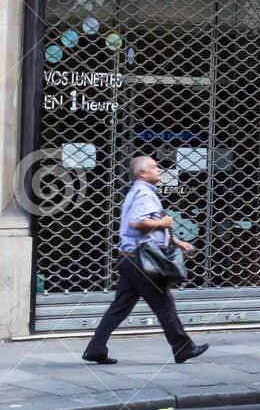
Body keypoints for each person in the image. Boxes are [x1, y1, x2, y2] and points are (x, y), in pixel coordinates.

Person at [82, 156, 208, 365]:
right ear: (142, 173)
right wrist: (164, 222)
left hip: (130, 259)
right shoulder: (143, 193)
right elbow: (138, 223)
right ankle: (183, 348)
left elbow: (147, 227)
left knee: (120, 308)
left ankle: (95, 348)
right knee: (164, 304)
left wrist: (176, 241)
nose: (159, 169)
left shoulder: (140, 191)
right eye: (154, 167)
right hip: (141, 262)